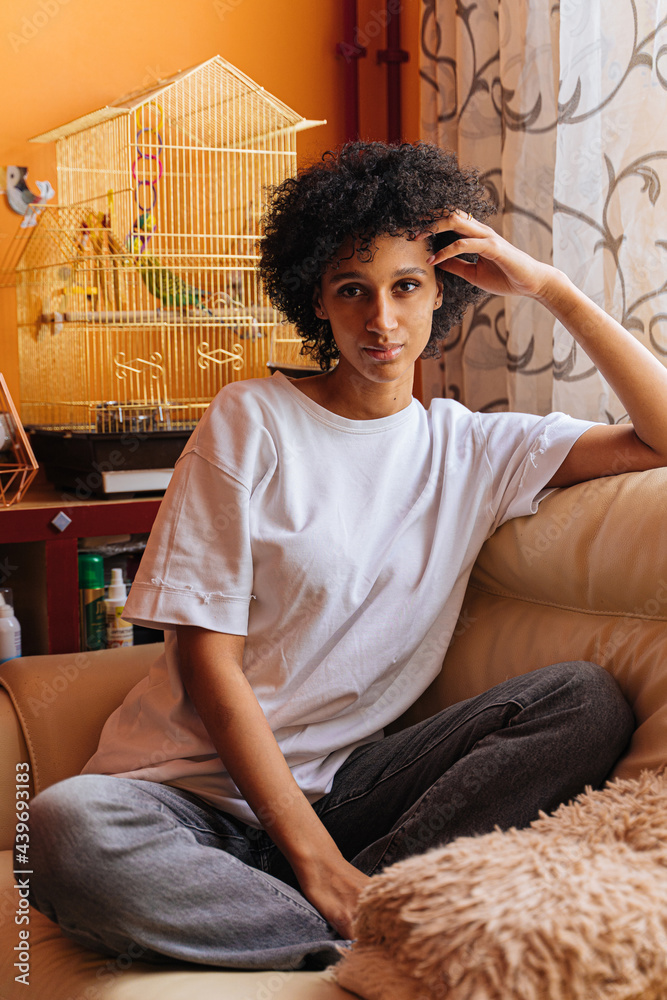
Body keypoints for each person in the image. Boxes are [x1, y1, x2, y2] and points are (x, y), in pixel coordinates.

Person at [29, 141, 665, 971]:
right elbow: (208, 663)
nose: (381, 321)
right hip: (183, 803)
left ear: (442, 291)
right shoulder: (251, 419)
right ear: (316, 301)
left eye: (406, 286)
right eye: (352, 290)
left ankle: (335, 916)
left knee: (582, 700)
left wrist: (551, 289)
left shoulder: (474, 450)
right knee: (64, 825)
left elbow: (659, 437)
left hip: (352, 799)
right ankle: (353, 936)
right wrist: (316, 866)